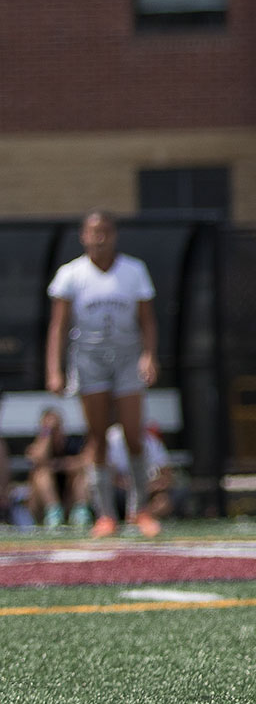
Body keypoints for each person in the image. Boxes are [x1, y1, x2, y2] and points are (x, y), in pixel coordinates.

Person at [44, 210, 163, 538]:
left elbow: (148, 320)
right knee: (96, 435)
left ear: (114, 234)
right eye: (93, 232)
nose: (100, 238)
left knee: (132, 432)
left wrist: (148, 356)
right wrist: (54, 369)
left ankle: (140, 510)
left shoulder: (133, 270)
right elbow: (58, 326)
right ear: (83, 236)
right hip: (89, 357)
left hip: (126, 356)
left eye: (105, 231)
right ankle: (105, 514)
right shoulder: (71, 274)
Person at [25, 407, 87, 528]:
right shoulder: (37, 445)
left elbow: (85, 461)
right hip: (42, 504)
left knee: (81, 475)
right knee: (42, 474)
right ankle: (53, 512)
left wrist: (61, 465)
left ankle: (80, 512)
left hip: (68, 498)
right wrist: (47, 433)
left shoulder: (72, 444)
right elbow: (38, 460)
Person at [105, 421, 176, 523]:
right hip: (121, 492)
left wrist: (148, 487)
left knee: (164, 502)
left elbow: (167, 475)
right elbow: (111, 477)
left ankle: (141, 516)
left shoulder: (151, 440)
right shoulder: (112, 438)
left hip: (148, 491)